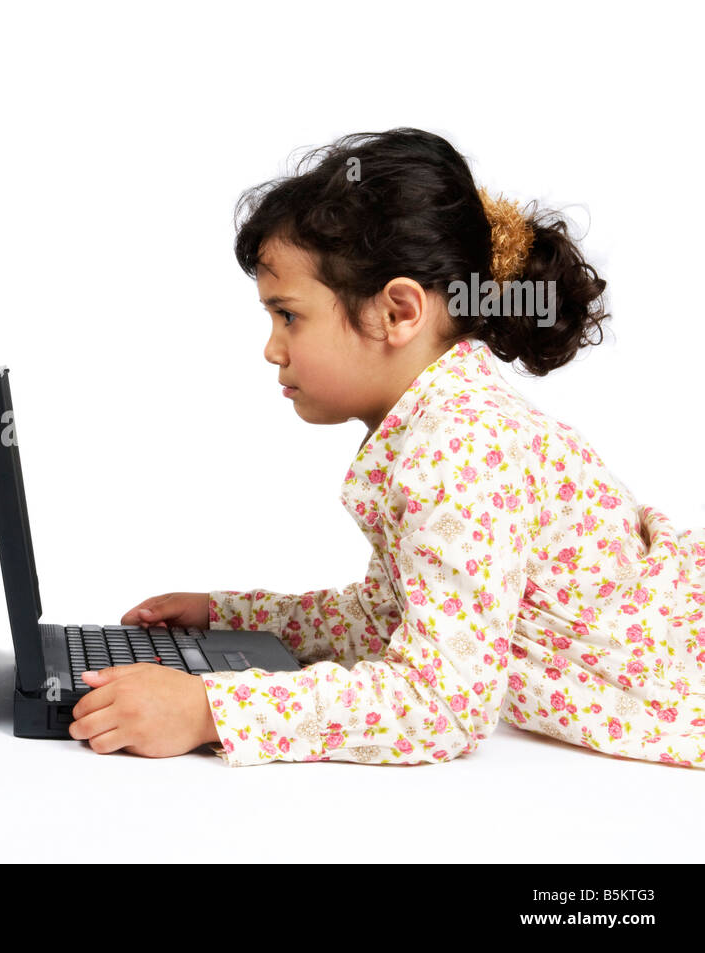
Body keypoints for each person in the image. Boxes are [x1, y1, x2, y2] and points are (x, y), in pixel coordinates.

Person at [68, 128, 705, 768]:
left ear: (398, 312)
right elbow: (385, 619)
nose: (272, 347)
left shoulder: (461, 448)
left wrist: (209, 709)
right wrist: (229, 615)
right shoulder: (436, 423)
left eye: (288, 315)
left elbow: (443, 703)